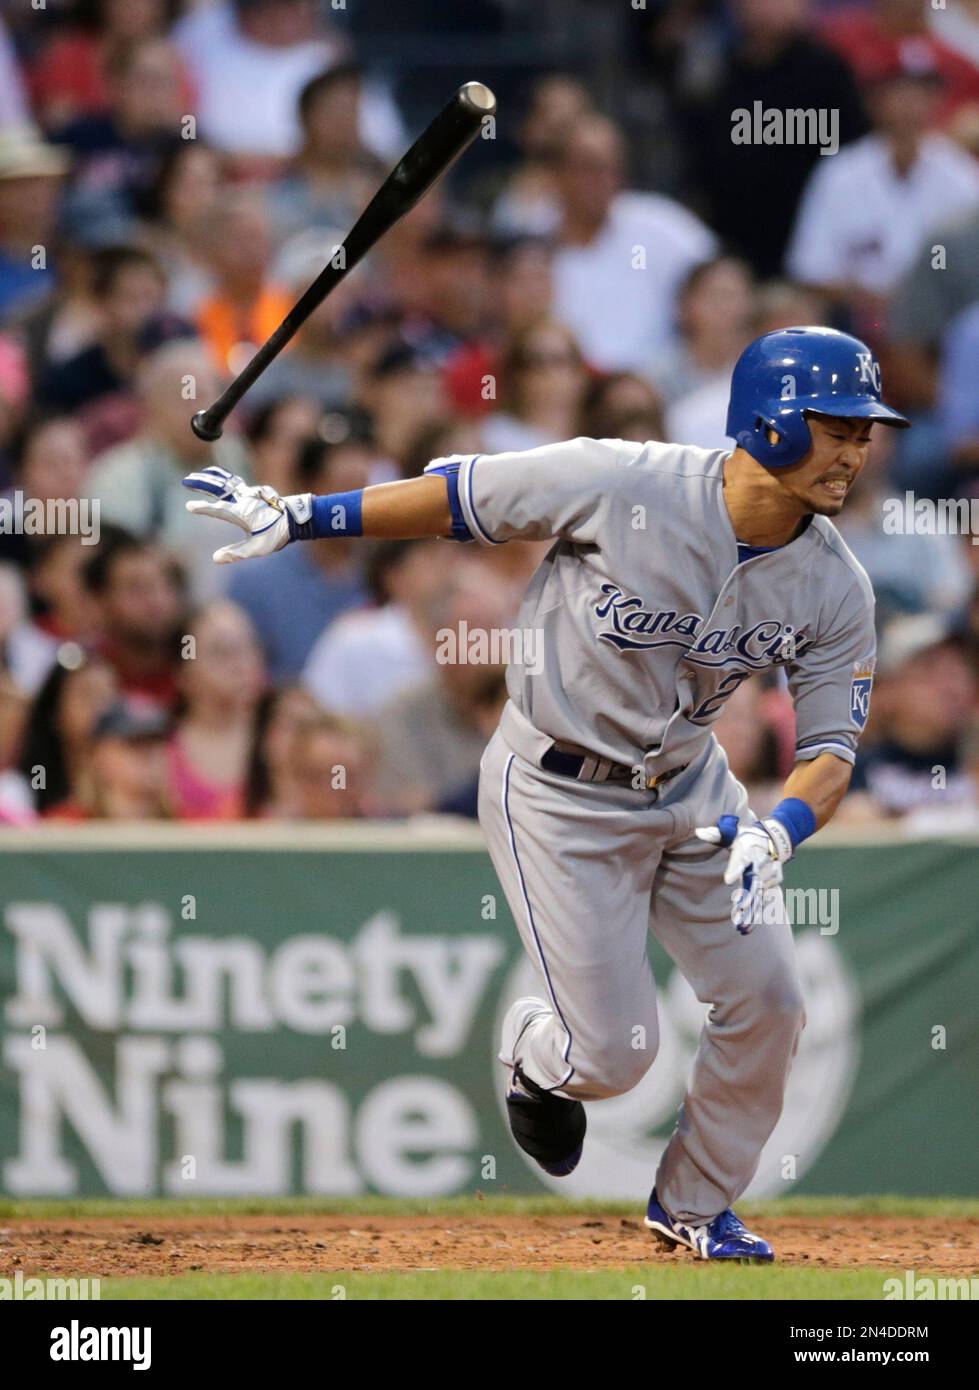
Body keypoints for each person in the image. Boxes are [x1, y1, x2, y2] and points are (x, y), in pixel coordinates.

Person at [185, 324, 910, 1261]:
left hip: (694, 788)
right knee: (613, 1060)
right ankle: (536, 1051)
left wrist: (778, 833)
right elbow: (462, 498)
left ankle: (691, 1204)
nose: (856, 449)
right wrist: (301, 516)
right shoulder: (627, 480)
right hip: (558, 788)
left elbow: (829, 747)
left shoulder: (836, 586)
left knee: (770, 999)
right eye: (835, 425)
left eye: (864, 430)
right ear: (769, 420)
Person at [549, 115, 716, 372]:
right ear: (558, 173)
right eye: (590, 167)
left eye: (612, 168)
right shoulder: (533, 245)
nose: (603, 180)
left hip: (661, 391)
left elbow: (722, 281)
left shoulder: (659, 224)